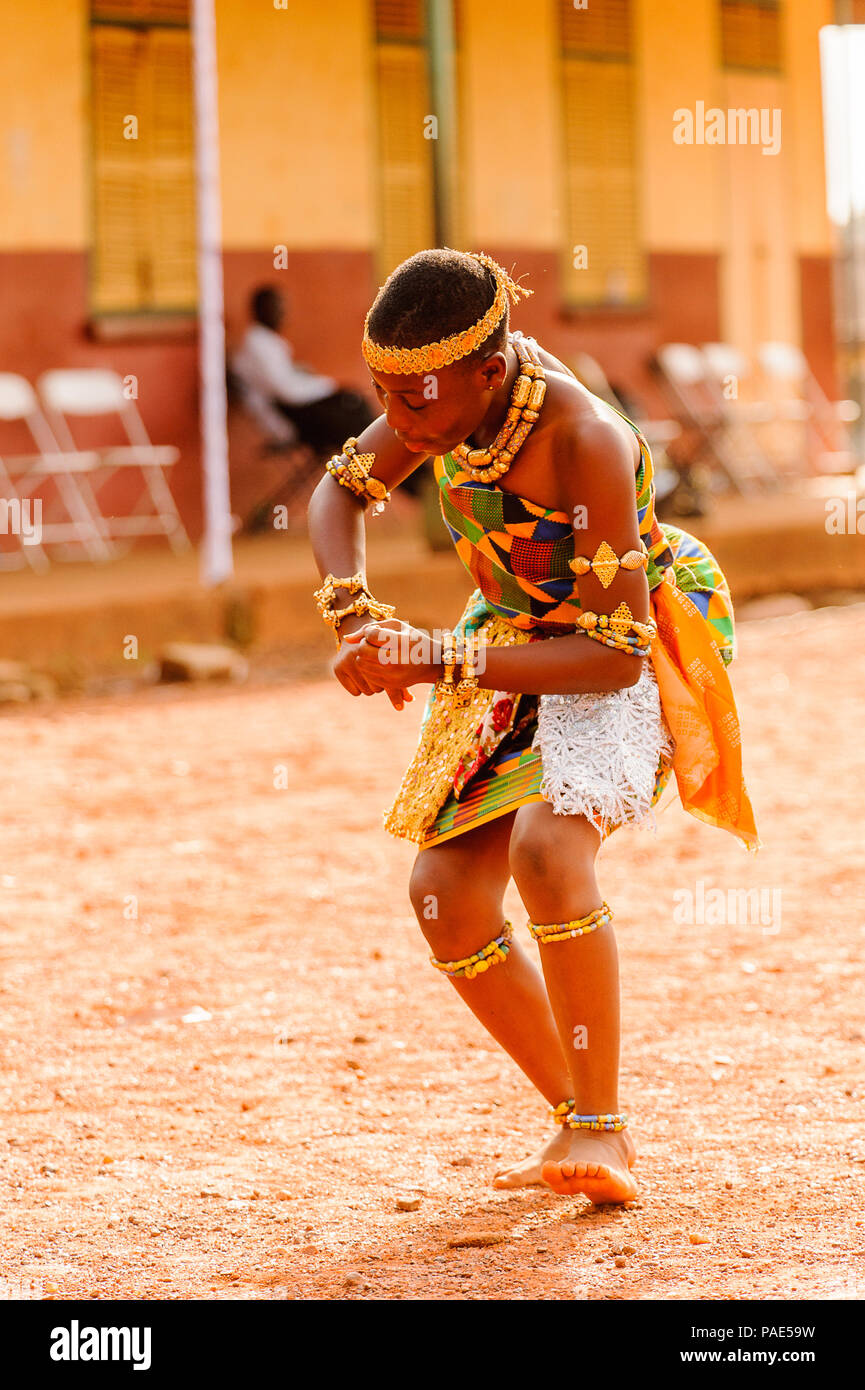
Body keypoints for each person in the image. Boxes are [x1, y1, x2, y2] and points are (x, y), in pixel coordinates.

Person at [307, 249, 760, 1204]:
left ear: (489, 369)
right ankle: (580, 1121)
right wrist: (354, 613)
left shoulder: (581, 439)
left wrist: (428, 653)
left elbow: (612, 655)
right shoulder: (440, 397)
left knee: (549, 852)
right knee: (443, 895)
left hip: (616, 646)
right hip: (510, 642)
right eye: (384, 398)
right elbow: (337, 491)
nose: (400, 425)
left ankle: (600, 1130)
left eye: (416, 403)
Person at [231, 285, 374, 455]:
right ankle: (384, 465)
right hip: (293, 418)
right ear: (260, 310)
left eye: (283, 308)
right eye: (277, 307)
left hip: (298, 408)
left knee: (355, 404)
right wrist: (325, 386)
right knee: (353, 406)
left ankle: (385, 463)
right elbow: (286, 391)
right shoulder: (257, 345)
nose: (282, 314)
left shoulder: (266, 342)